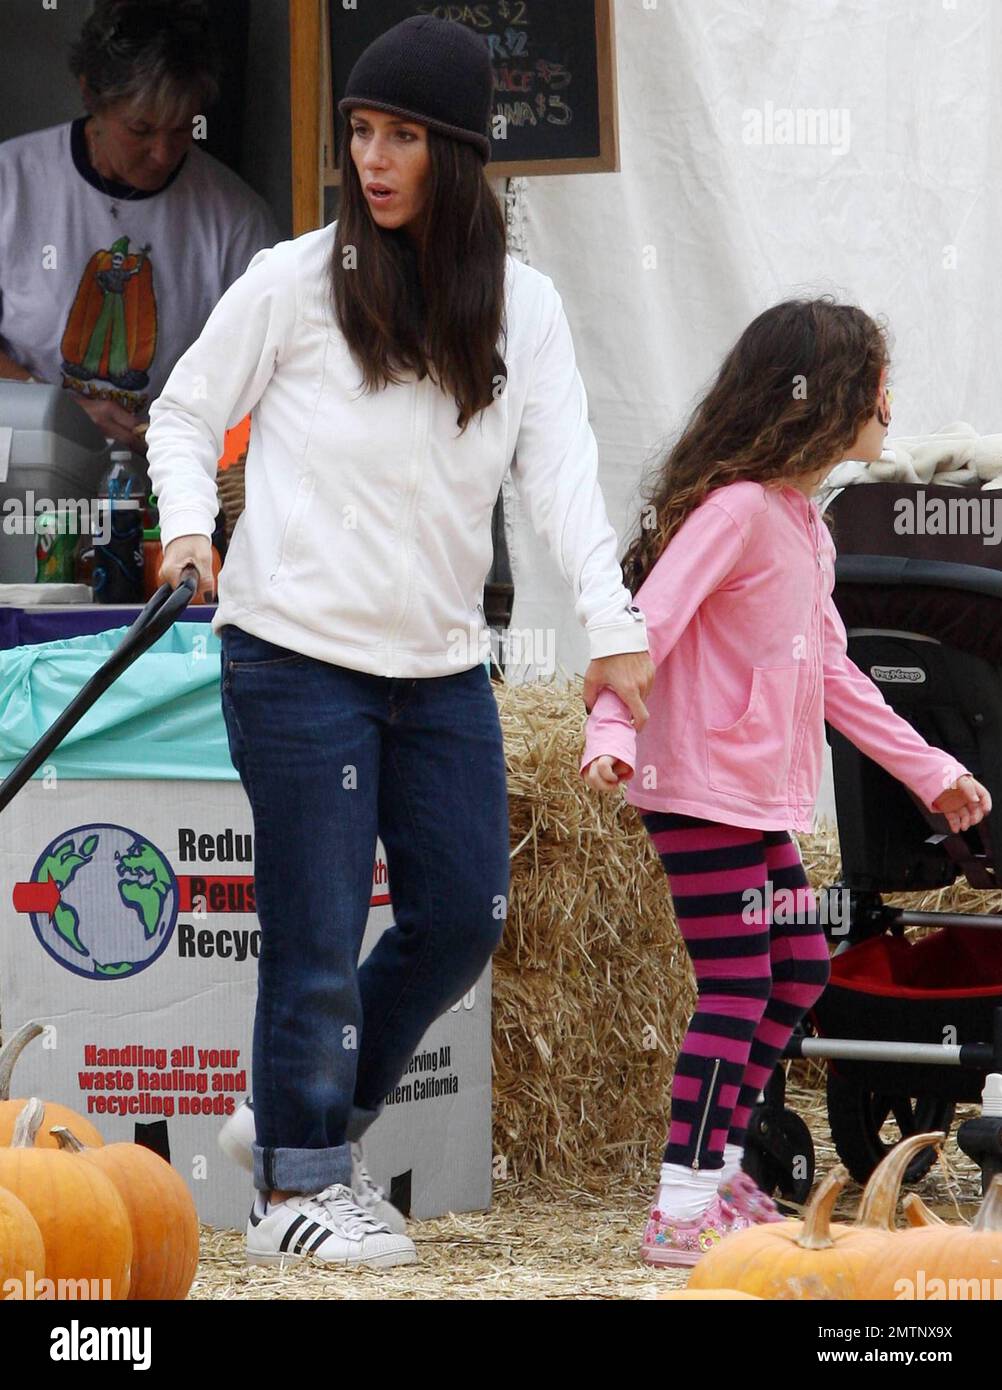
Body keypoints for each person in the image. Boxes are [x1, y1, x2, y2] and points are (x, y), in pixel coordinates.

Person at [147, 15, 654, 1268]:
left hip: (438, 670)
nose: (372, 158)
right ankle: (295, 1189)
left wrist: (612, 621)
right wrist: (185, 533)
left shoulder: (521, 311)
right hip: (295, 656)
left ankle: (292, 1119)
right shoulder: (294, 279)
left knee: (463, 915)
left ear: (461, 154)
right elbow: (183, 410)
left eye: (404, 136)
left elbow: (565, 484)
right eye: (361, 132)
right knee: (316, 928)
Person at [580, 297, 991, 1267]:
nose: (891, 399)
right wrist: (608, 727)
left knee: (801, 966)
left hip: (753, 801)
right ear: (829, 394)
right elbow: (646, 621)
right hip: (695, 791)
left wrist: (932, 771)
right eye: (878, 379)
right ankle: (682, 1204)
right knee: (737, 981)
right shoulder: (733, 514)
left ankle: (717, 1171)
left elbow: (837, 677)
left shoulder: (806, 525)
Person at [0, 0, 278, 449]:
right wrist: (54, 408)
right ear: (91, 96)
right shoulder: (12, 184)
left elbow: (272, 376)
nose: (164, 154)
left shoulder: (237, 221)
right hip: (22, 467)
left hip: (171, 484)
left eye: (182, 129)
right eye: (141, 130)